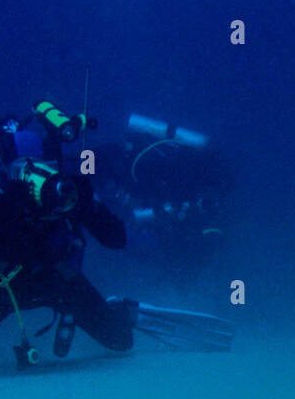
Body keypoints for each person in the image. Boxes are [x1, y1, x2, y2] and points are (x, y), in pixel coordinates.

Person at [0, 102, 136, 370]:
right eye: (26, 169)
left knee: (120, 340)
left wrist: (86, 203)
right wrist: (0, 211)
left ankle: (118, 310)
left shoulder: (63, 189)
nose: (37, 178)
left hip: (58, 278)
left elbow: (117, 239)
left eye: (44, 167)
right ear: (5, 168)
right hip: (0, 285)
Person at [92, 113, 232, 285]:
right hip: (155, 185)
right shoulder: (179, 177)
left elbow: (160, 205)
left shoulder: (179, 179)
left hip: (159, 190)